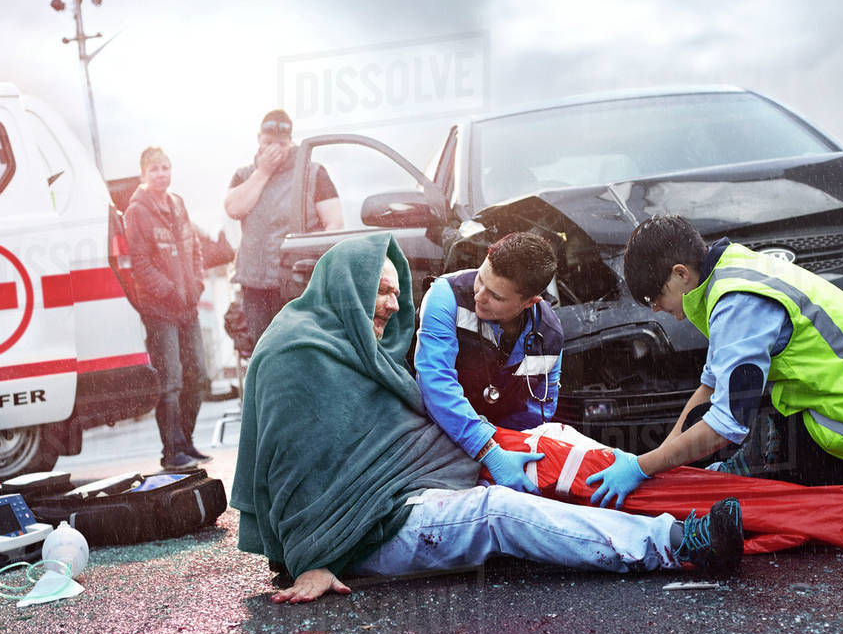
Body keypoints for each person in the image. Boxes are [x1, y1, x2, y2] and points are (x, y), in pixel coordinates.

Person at [230, 232, 743, 604]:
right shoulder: (295, 353)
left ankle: (691, 487)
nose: (392, 303)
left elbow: (527, 410)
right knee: (498, 512)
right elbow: (287, 467)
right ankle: (674, 543)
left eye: (393, 290)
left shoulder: (361, 348)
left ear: (530, 300)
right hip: (365, 530)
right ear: (342, 288)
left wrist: (514, 445)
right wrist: (313, 558)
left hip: (410, 485)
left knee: (556, 449)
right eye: (379, 290)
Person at [586, 213, 843, 509]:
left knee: (764, 484)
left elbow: (725, 426)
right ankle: (835, 476)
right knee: (736, 392)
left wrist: (642, 467)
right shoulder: (732, 270)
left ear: (680, 274)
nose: (655, 308)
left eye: (653, 297)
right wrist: (660, 460)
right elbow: (709, 388)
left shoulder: (736, 304)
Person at [415, 230, 563, 494]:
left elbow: (538, 408)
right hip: (431, 431)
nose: (479, 296)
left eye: (496, 296)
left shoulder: (549, 337)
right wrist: (487, 451)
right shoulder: (444, 296)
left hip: (504, 445)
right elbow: (435, 383)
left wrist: (506, 451)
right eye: (481, 279)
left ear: (530, 302)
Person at [224, 109, 344, 344]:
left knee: (301, 347)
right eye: (268, 142)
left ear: (290, 141)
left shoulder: (314, 172)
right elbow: (233, 208)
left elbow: (335, 224)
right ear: (259, 138)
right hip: (255, 287)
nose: (273, 149)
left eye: (280, 144)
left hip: (298, 284)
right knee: (264, 349)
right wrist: (263, 172)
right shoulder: (244, 175)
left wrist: (317, 269)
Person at [124, 146, 211, 471]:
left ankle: (186, 442)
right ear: (143, 175)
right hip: (160, 311)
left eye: (165, 167)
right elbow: (141, 265)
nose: (161, 174)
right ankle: (172, 451)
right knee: (171, 380)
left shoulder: (178, 203)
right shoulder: (137, 211)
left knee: (198, 376)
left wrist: (197, 283)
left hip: (188, 307)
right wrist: (170, 291)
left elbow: (196, 248)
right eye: (154, 169)